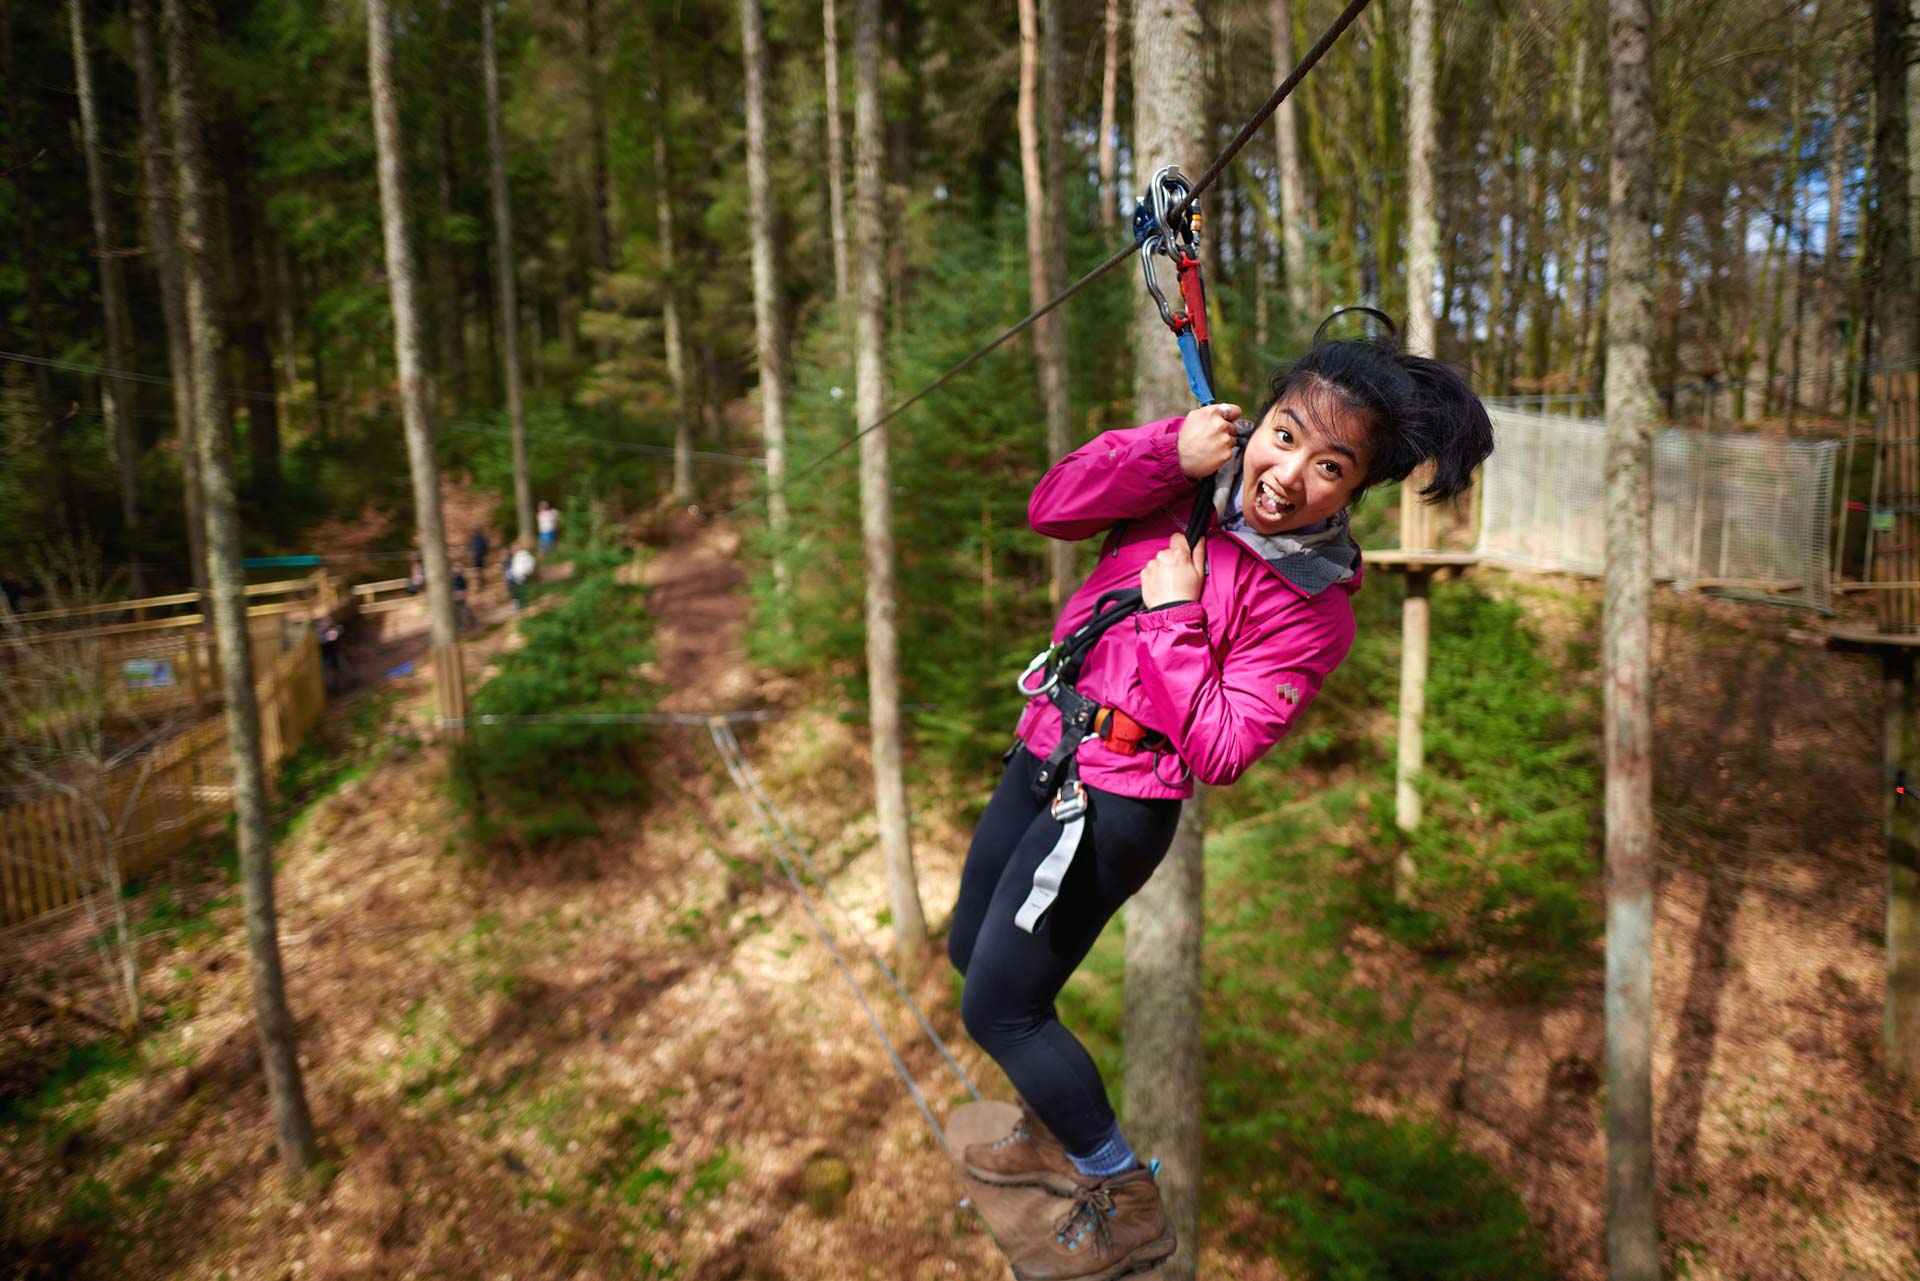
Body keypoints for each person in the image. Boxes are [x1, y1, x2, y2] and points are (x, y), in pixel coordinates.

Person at [946, 309, 1494, 1278]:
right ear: (1261, 421)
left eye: (1329, 466)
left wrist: (1173, 620)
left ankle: (1123, 1203)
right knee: (966, 951)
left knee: (1002, 1011)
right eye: (1284, 436)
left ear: (1354, 489)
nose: (1287, 475)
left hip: (1113, 801)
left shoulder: (1314, 610)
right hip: (1047, 742)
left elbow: (1224, 746)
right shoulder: (1189, 489)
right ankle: (1052, 1144)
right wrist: (1166, 451)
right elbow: (1051, 506)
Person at [505, 542, 537, 611]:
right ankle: (517, 602)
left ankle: (520, 604)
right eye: (512, 549)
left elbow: (527, 567)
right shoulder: (517, 556)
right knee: (511, 586)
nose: (512, 550)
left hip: (522, 577)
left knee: (516, 588)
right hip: (517, 576)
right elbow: (515, 568)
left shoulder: (524, 556)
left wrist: (519, 574)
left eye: (514, 548)